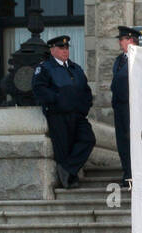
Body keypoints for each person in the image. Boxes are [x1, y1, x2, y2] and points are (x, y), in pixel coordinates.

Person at [31, 35, 95, 189]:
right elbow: (39, 90)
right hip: (58, 115)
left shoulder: (75, 68)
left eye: (66, 48)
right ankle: (69, 179)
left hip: (77, 114)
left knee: (88, 139)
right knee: (64, 149)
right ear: (52, 50)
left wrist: (85, 106)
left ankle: (67, 169)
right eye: (61, 48)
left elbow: (86, 90)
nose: (65, 51)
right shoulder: (45, 68)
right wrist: (58, 99)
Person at [111, 25, 141, 187]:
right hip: (120, 107)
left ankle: (134, 174)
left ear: (130, 40)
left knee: (133, 141)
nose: (120, 42)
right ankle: (127, 173)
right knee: (122, 141)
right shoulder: (120, 60)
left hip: (133, 107)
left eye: (122, 39)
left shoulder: (140, 58)